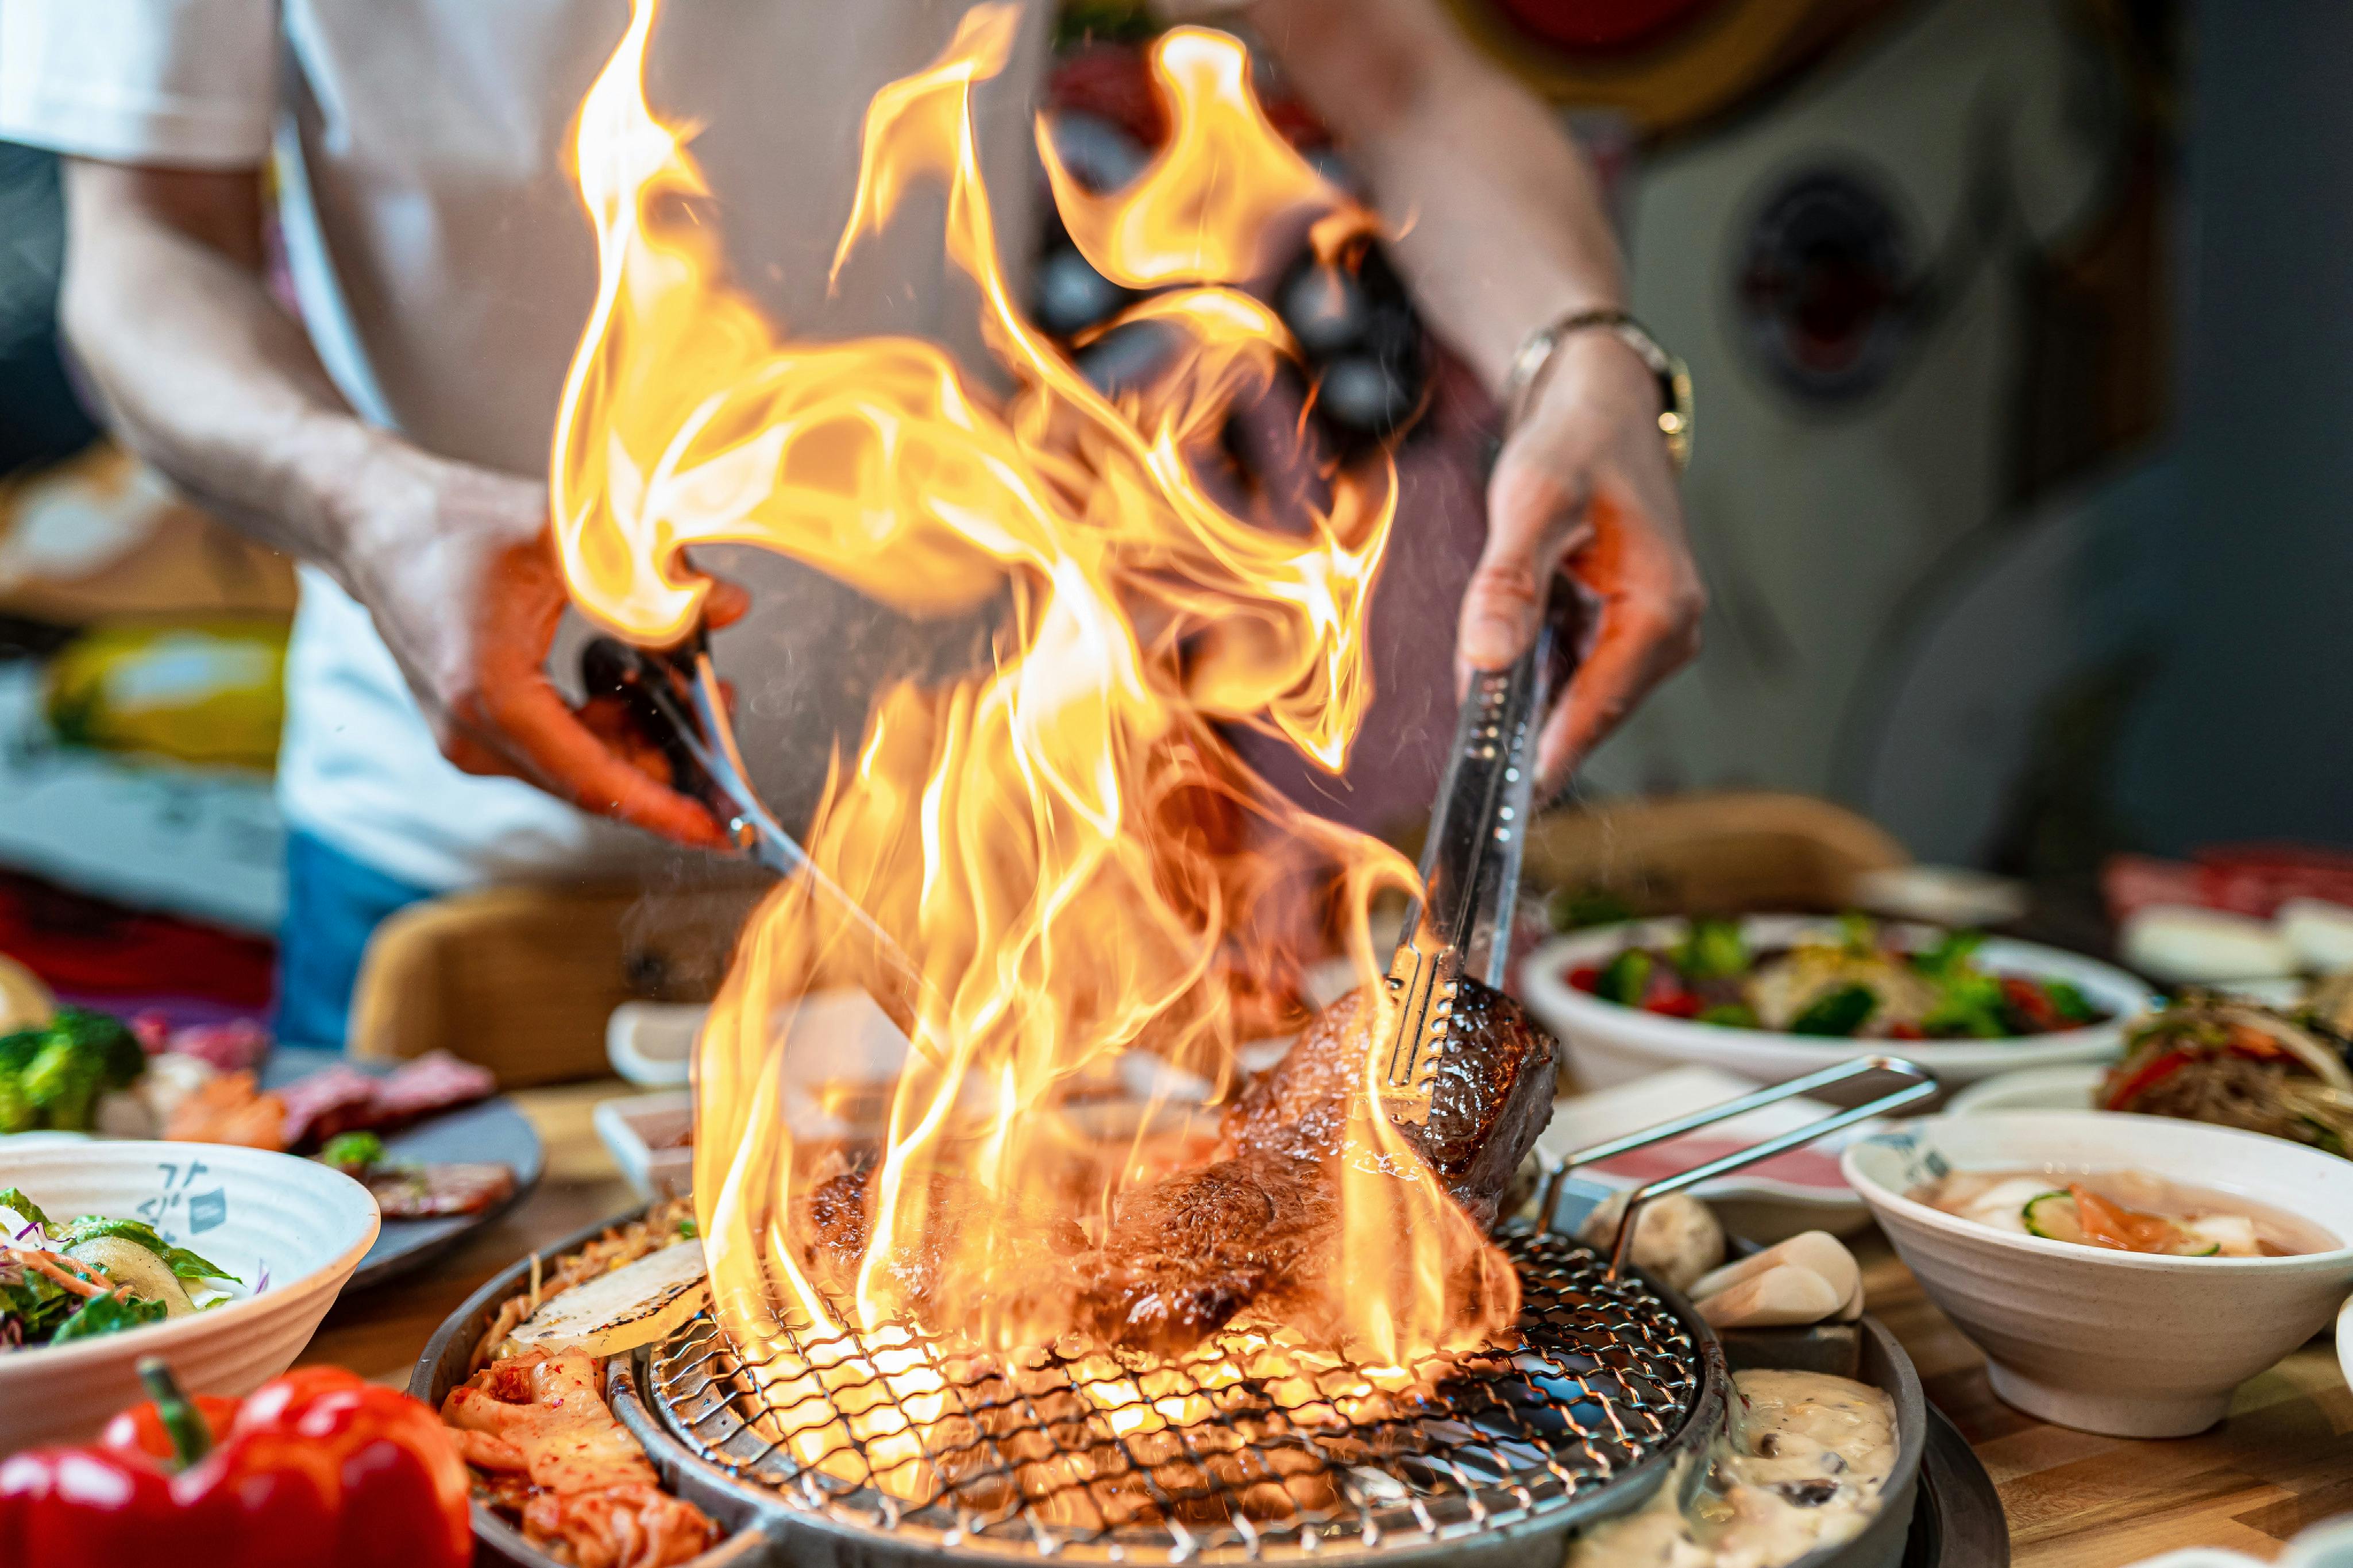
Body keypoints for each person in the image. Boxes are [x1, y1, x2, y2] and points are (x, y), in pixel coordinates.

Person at [0, 0, 1701, 1046]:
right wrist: (369, 505)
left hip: (968, 835)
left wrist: (1587, 351)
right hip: (448, 855)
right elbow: (145, 257)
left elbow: (1400, 69)